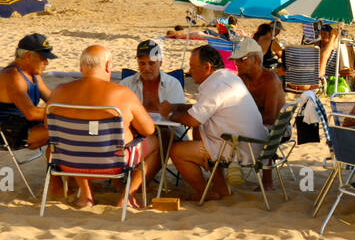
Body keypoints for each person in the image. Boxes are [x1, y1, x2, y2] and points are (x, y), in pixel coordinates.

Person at [48, 45, 159, 210]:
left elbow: (50, 129)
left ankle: (86, 195)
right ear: (107, 66)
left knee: (77, 141)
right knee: (155, 143)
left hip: (69, 162)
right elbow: (148, 130)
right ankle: (127, 195)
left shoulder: (58, 93)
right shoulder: (123, 94)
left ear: (80, 67)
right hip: (112, 163)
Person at [162, 45, 266, 202]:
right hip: (252, 143)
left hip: (240, 149)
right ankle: (220, 187)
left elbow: (193, 120)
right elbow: (203, 109)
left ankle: (205, 192)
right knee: (202, 133)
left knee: (177, 151)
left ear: (207, 67)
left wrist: (169, 114)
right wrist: (177, 107)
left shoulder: (215, 85)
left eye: (192, 66)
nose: (189, 71)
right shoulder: (227, 77)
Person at [0, 33, 55, 149]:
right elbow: (31, 113)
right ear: (28, 56)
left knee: (68, 127)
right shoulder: (13, 76)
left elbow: (53, 100)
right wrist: (66, 112)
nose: (46, 62)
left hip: (21, 126)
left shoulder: (33, 74)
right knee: (65, 131)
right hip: (2, 133)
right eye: (43, 58)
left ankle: (56, 165)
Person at [119, 38, 187, 143]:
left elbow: (178, 116)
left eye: (151, 63)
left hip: (170, 135)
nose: (146, 68)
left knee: (164, 133)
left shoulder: (173, 84)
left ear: (160, 63)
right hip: (137, 132)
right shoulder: (126, 84)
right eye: (142, 63)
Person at [233, 37, 283, 126]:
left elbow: (271, 118)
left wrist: (241, 121)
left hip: (274, 131)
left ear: (255, 59)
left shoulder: (270, 80)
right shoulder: (243, 77)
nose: (236, 63)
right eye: (235, 59)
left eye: (241, 59)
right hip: (258, 125)